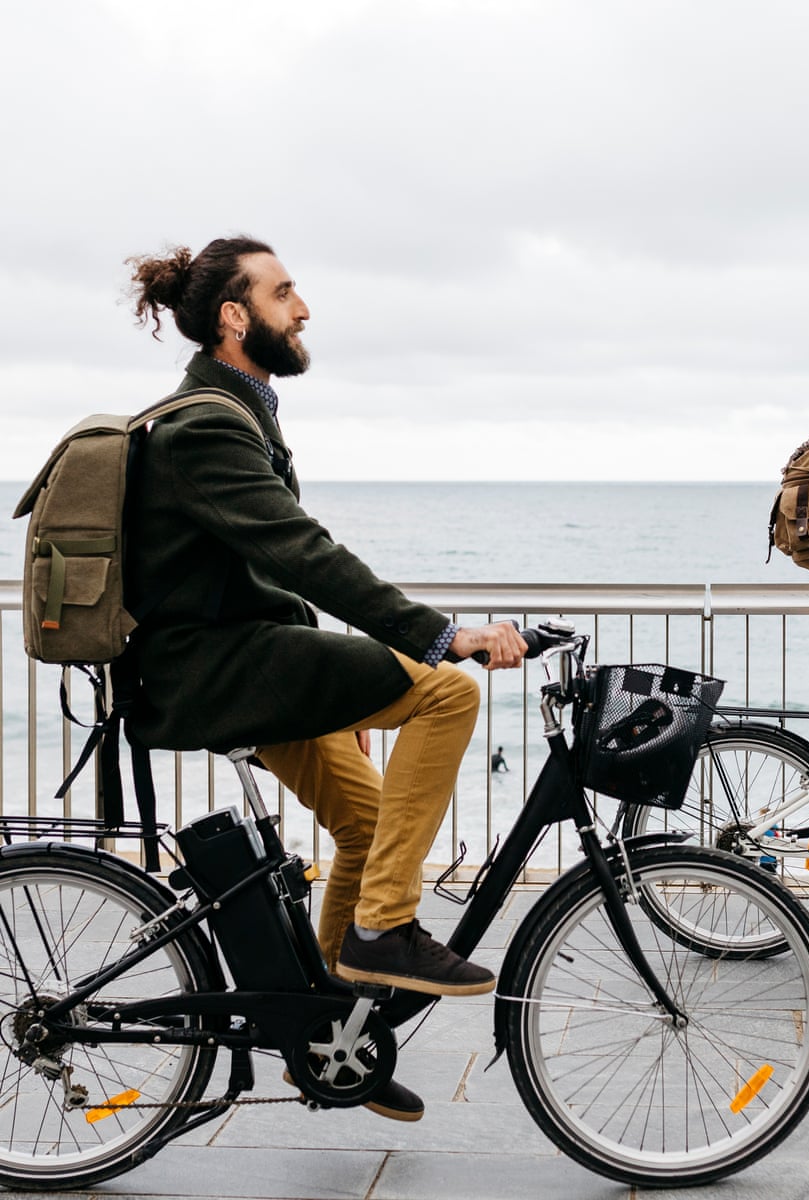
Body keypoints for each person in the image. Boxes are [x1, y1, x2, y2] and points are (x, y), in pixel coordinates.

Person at [124, 235, 529, 1122]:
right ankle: (385, 926)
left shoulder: (240, 410)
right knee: (447, 690)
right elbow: (301, 553)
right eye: (284, 292)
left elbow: (262, 571)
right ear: (236, 317)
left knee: (369, 822)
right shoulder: (207, 423)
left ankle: (326, 1037)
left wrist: (334, 689)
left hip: (252, 662)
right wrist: (440, 635)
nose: (302, 308)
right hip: (219, 671)